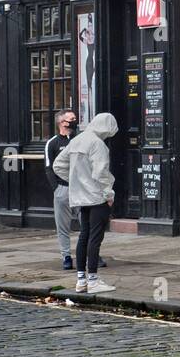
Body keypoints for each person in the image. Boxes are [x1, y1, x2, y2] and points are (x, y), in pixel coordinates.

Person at [52, 112, 118, 294]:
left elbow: (58, 165)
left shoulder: (77, 140)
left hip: (81, 197)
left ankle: (81, 280)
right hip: (97, 197)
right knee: (95, 238)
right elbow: (101, 173)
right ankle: (93, 280)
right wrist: (109, 194)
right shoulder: (98, 144)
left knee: (84, 236)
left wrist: (76, 181)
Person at [45, 109, 79, 271]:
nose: (75, 121)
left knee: (88, 223)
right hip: (62, 188)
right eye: (71, 119)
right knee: (63, 226)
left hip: (80, 188)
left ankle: (91, 253)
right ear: (62, 122)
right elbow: (48, 167)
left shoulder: (79, 139)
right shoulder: (52, 143)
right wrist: (56, 188)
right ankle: (66, 256)